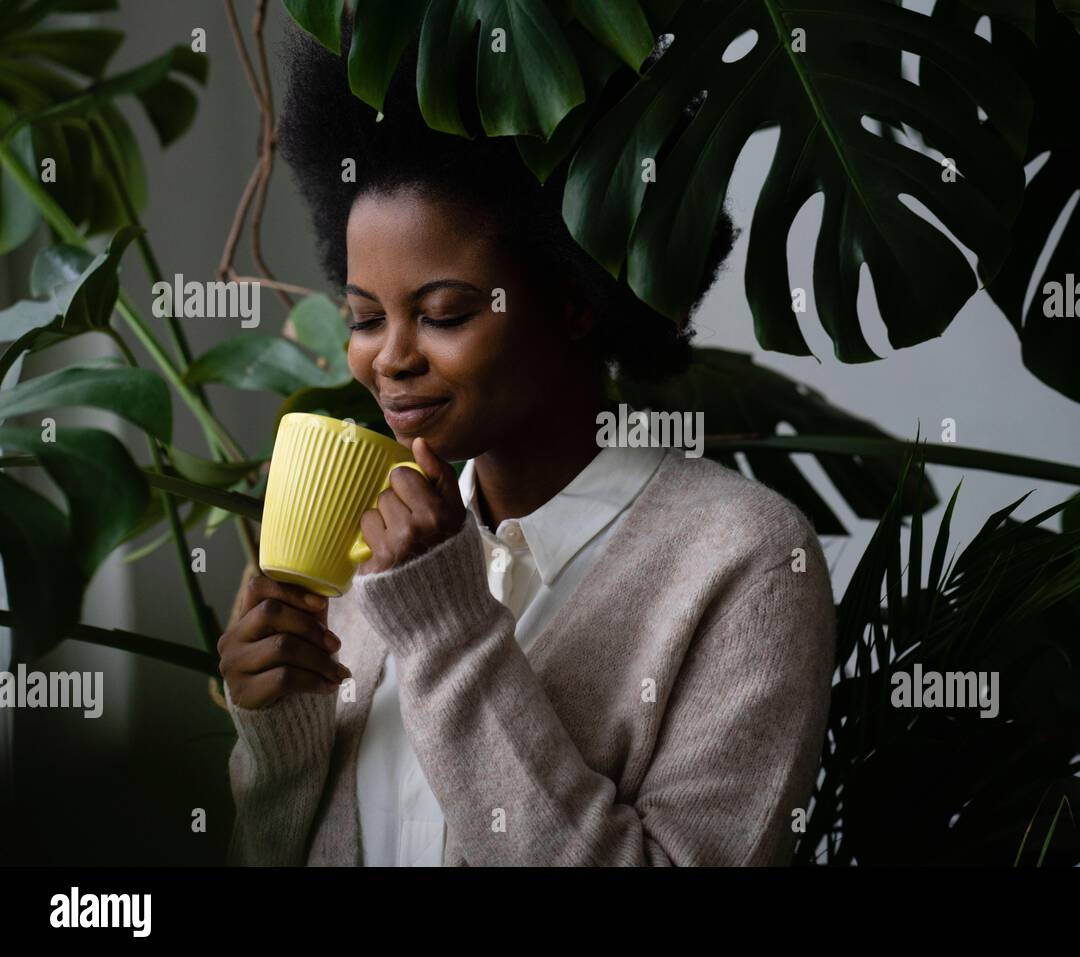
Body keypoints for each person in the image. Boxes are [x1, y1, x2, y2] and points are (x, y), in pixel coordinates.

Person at [217, 20, 836, 867]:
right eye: (365, 317)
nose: (389, 357)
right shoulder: (362, 546)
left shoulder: (745, 563)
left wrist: (445, 626)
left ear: (576, 296)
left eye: (443, 314)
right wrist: (281, 737)